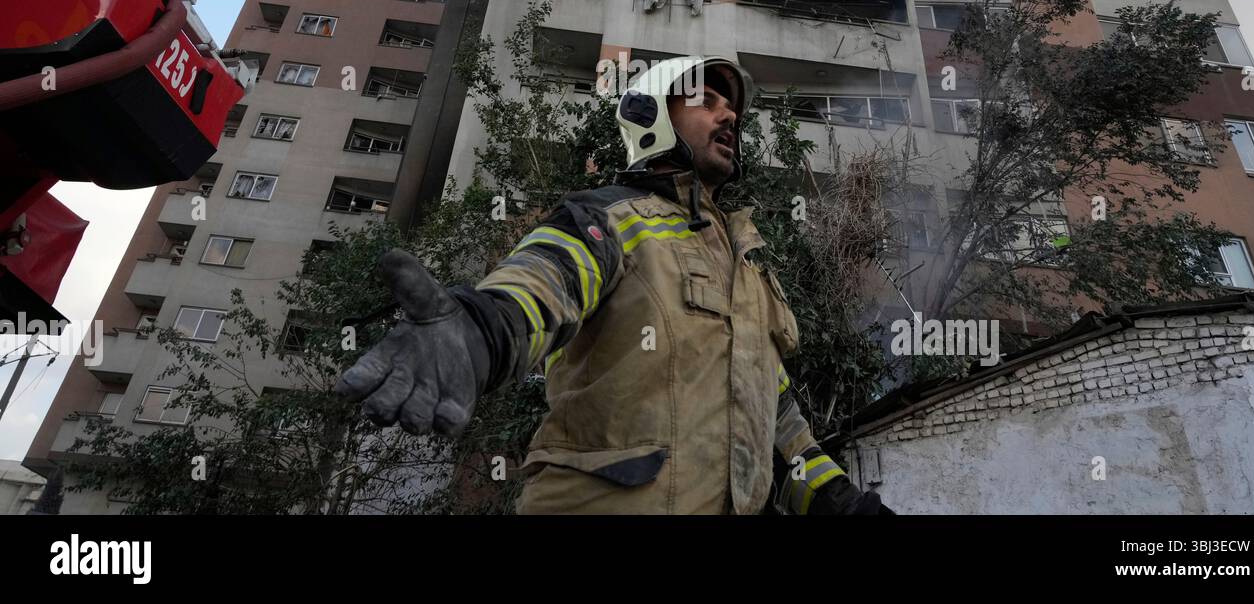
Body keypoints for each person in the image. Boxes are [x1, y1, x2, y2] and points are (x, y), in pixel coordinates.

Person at [335, 56, 892, 515]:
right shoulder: (611, 217)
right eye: (707, 101)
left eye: (734, 110)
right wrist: (479, 330)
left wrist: (842, 504)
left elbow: (779, 425)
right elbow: (545, 281)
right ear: (652, 115)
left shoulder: (748, 270)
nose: (729, 117)